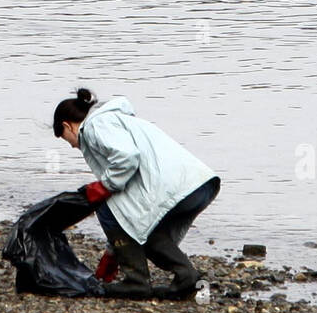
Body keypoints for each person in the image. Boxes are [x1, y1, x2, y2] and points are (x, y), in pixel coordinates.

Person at [54, 88, 220, 300]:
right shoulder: (119, 121)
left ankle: (136, 282)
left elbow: (127, 157)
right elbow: (128, 214)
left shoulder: (96, 125)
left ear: (67, 125)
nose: (72, 145)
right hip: (199, 184)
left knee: (105, 203)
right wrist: (113, 252)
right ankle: (187, 279)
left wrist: (104, 186)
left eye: (67, 139)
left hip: (175, 189)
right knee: (148, 234)